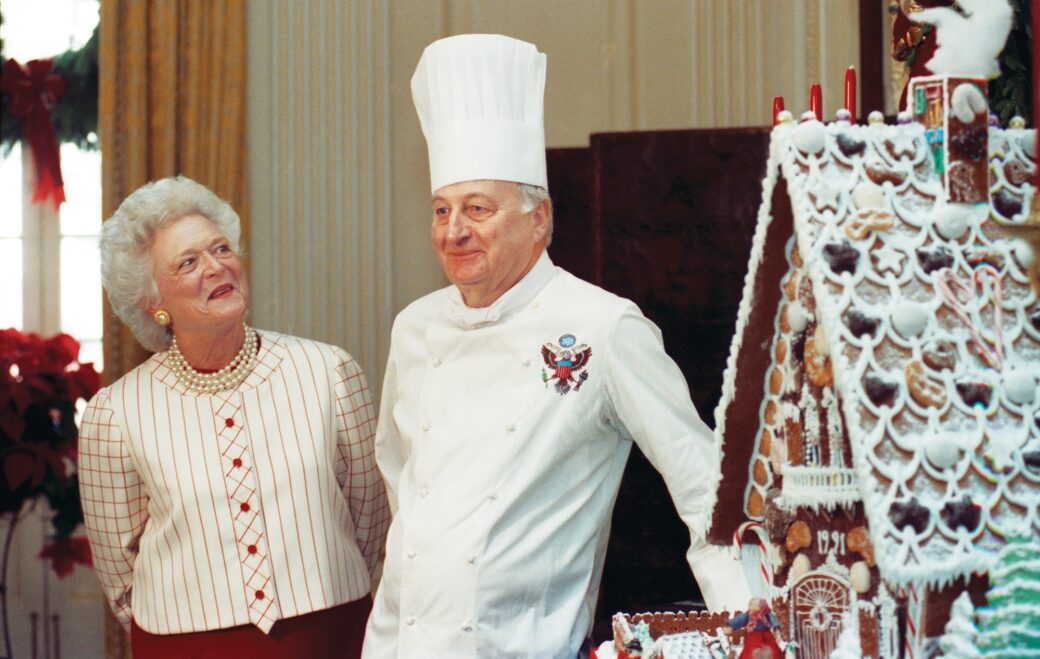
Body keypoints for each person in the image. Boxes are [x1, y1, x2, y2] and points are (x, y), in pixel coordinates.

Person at [362, 34, 750, 659]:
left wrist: (747, 627)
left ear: (538, 219)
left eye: (477, 208)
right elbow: (401, 479)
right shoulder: (414, 327)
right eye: (440, 210)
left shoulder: (604, 326)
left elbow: (702, 481)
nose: (454, 231)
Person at [78, 176, 389, 659]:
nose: (215, 267)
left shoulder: (328, 371)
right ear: (153, 303)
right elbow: (120, 571)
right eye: (188, 261)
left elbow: (370, 516)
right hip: (186, 646)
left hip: (330, 633)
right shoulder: (114, 413)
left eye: (221, 249)